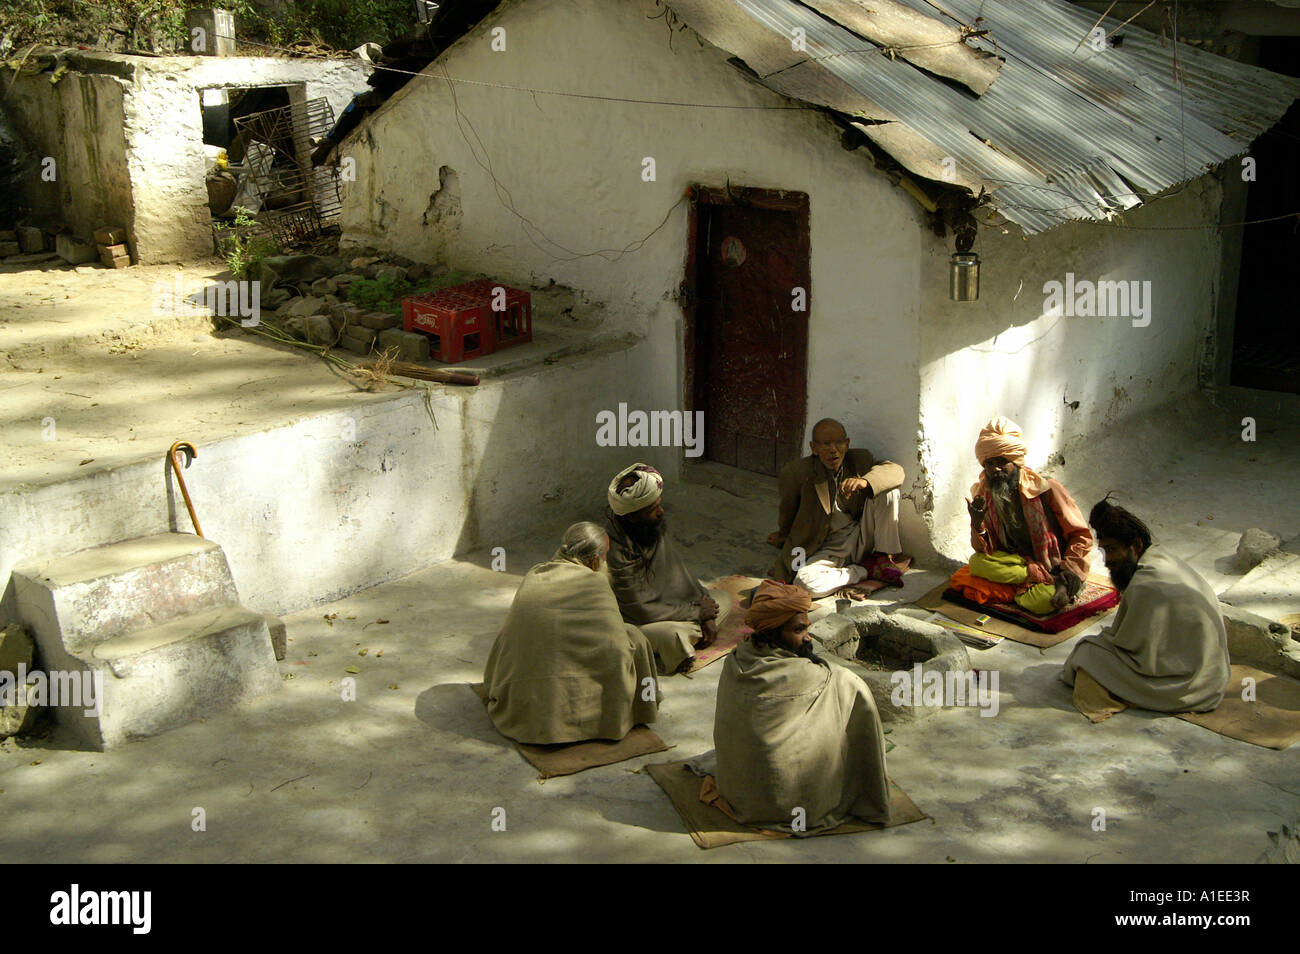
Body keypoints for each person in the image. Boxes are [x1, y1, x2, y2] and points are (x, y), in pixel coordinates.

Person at [708, 580, 892, 834]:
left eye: (807, 627)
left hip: (738, 793)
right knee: (853, 688)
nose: (807, 636)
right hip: (787, 805)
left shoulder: (737, 658)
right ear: (773, 633)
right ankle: (865, 788)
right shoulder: (825, 677)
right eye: (798, 630)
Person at [482, 521, 659, 744]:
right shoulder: (595, 582)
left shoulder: (535, 573)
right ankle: (626, 713)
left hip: (521, 711)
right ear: (595, 560)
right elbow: (616, 647)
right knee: (635, 639)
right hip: (560, 707)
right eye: (605, 557)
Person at [1061, 499, 1230, 713]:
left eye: (1112, 550)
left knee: (1086, 653)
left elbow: (1130, 648)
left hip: (1189, 688)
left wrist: (1105, 642)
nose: (1106, 561)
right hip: (1214, 677)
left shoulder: (1144, 586)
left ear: (1136, 546)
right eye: (1104, 551)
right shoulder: (1162, 557)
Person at [604, 463, 730, 674]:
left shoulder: (649, 529)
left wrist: (705, 609)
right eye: (654, 509)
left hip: (669, 609)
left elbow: (681, 578)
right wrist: (696, 612)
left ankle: (683, 639)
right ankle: (677, 645)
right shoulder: (614, 550)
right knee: (671, 634)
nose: (661, 512)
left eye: (659, 505)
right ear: (633, 516)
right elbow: (639, 610)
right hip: (635, 621)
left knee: (723, 598)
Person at [959, 416, 1092, 615]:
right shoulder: (983, 493)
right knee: (977, 563)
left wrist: (1069, 572)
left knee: (1042, 603)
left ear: (1016, 462)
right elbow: (988, 550)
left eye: (1003, 462)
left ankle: (1050, 583)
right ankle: (1031, 579)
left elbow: (1081, 535)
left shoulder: (1046, 488)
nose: (995, 469)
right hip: (1018, 563)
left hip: (1053, 566)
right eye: (990, 463)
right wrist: (977, 525)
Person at [767, 418, 907, 598]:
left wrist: (865, 481)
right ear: (814, 448)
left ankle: (882, 557)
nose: (833, 450)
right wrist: (783, 538)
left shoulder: (859, 459)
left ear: (847, 444)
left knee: (888, 491)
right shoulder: (797, 472)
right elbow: (788, 512)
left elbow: (895, 471)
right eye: (826, 444)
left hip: (860, 537)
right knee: (804, 583)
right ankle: (865, 570)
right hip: (827, 548)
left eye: (839, 442)